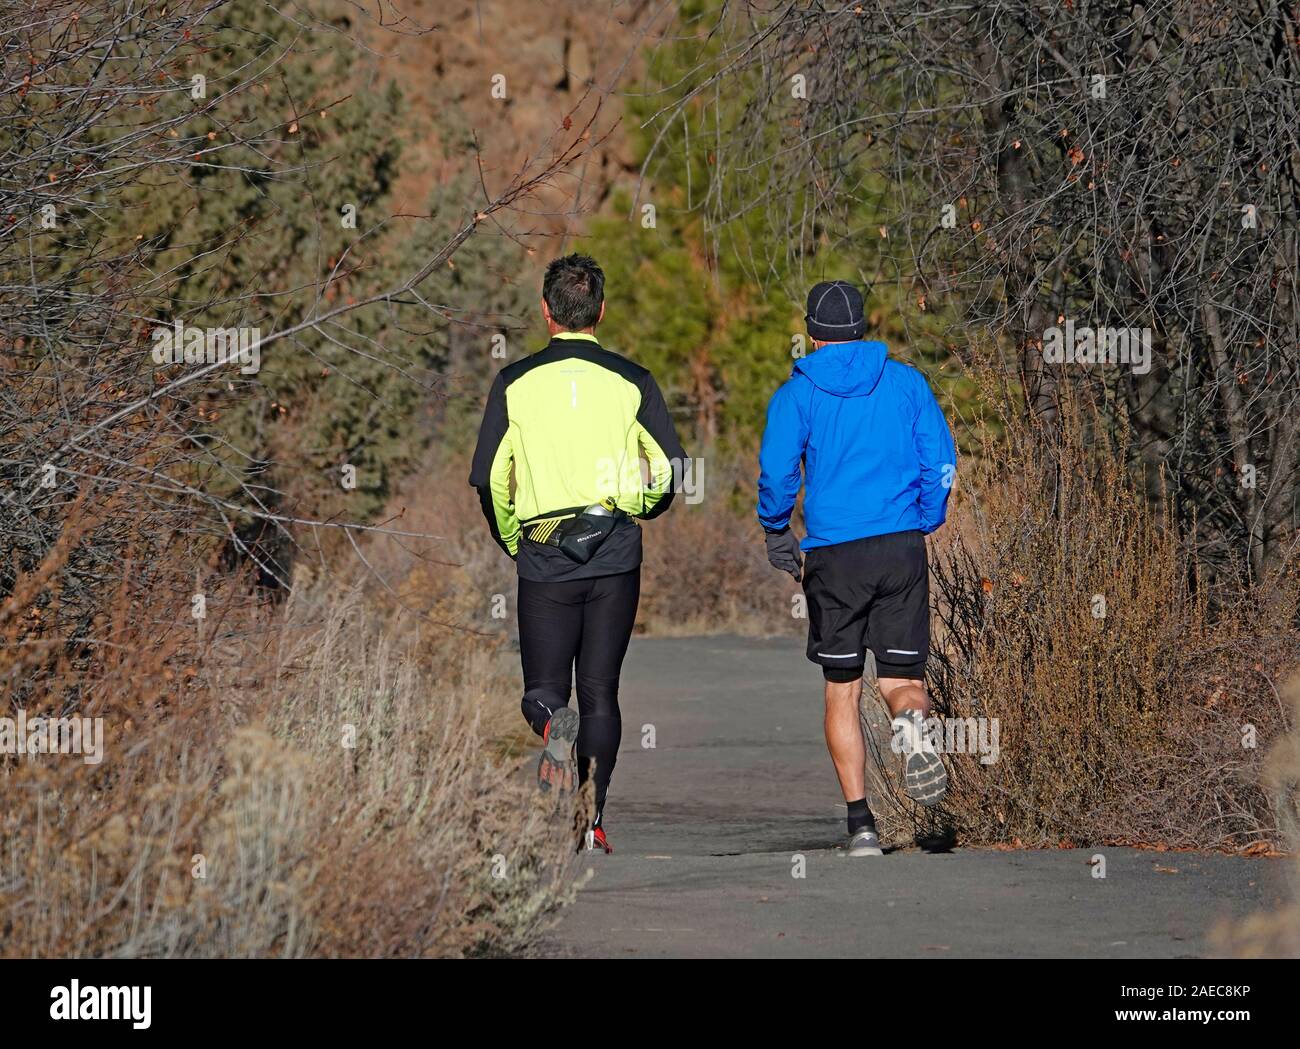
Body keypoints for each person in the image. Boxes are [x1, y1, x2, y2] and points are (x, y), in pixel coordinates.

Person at [469, 253, 686, 853]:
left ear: (545, 312)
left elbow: (488, 479)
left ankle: (551, 726)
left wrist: (514, 538)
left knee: (542, 690)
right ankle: (590, 823)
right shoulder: (633, 380)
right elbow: (673, 469)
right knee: (600, 690)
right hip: (614, 549)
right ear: (601, 312)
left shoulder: (512, 384)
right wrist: (636, 507)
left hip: (544, 549)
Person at [757, 280, 957, 857]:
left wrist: (776, 531)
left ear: (813, 333)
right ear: (864, 328)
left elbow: (777, 472)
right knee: (902, 681)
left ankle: (861, 825)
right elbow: (940, 460)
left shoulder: (797, 394)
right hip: (898, 546)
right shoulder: (905, 382)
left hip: (834, 555)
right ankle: (912, 727)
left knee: (841, 689)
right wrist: (922, 520)